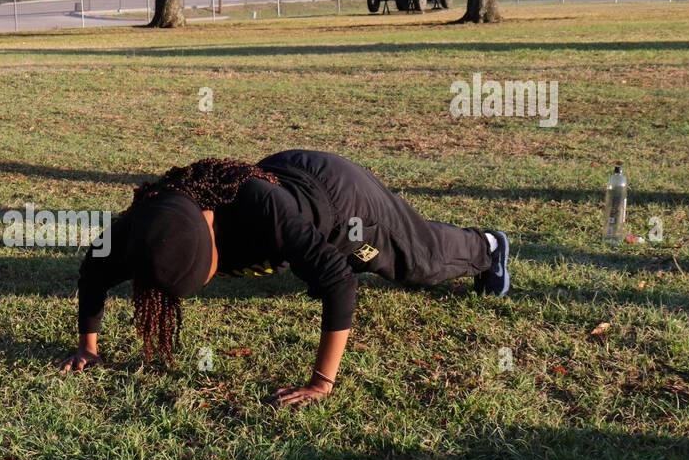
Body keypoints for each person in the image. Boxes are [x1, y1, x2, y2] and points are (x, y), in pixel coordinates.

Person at [58, 150, 510, 406]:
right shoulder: (143, 224)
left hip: (343, 204)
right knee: (315, 259)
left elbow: (338, 283)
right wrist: (88, 347)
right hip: (291, 175)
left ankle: (488, 247)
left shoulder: (265, 211)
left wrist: (320, 383)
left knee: (418, 262)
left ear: (212, 226)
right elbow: (95, 270)